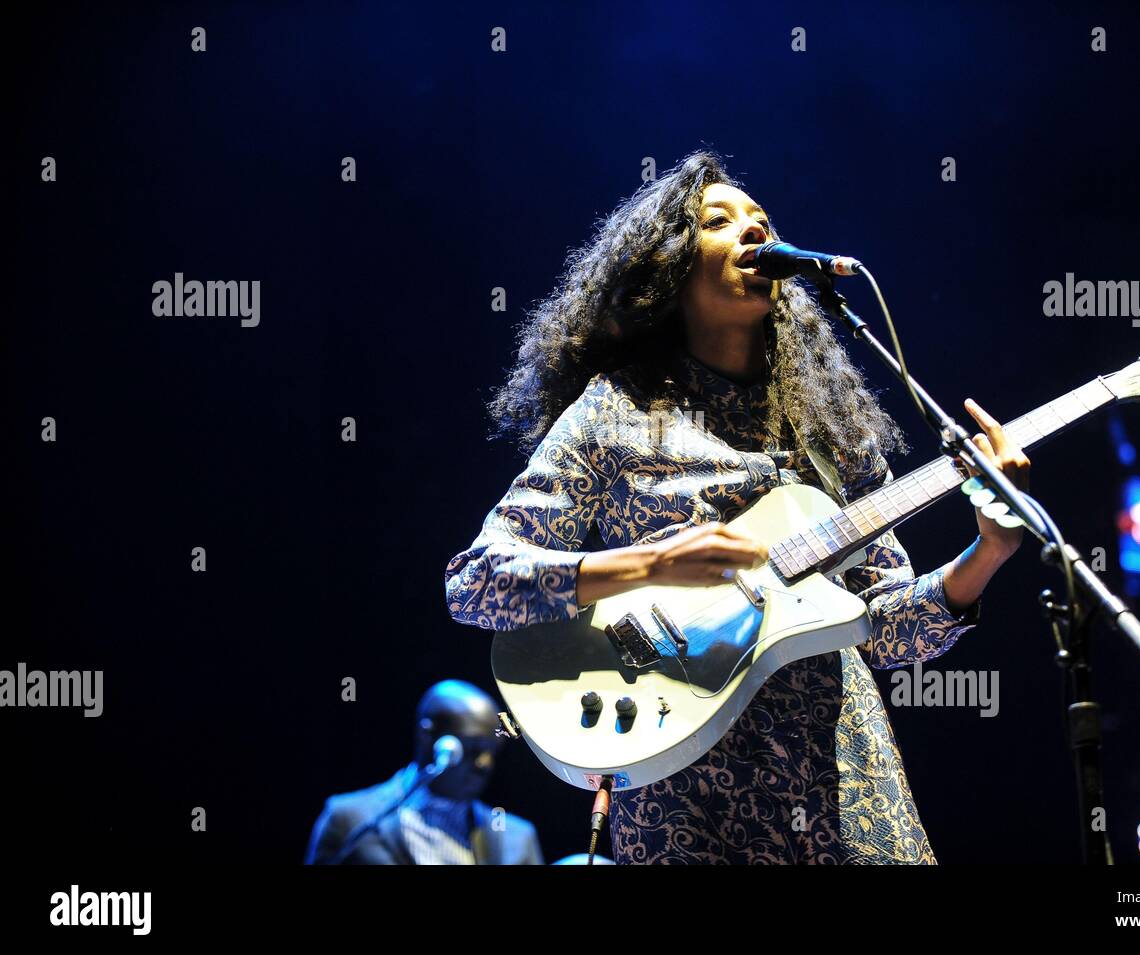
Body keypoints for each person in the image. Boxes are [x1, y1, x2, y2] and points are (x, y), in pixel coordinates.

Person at [444, 150, 1030, 863]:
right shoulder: (616, 410)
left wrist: (988, 551)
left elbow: (888, 633)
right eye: (718, 222)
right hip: (682, 795)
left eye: (761, 220)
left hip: (843, 785)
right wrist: (650, 562)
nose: (753, 231)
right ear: (668, 268)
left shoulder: (829, 428)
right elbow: (477, 583)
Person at [305, 679, 543, 865]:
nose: (485, 763)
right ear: (428, 736)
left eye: (492, 751)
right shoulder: (350, 820)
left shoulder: (517, 838)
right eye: (472, 748)